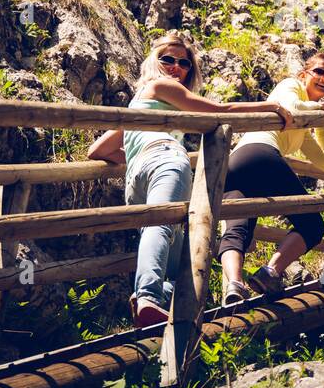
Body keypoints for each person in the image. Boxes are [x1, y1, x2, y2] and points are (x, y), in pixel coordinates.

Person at [87, 32, 294, 326]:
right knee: (161, 227)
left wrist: (139, 154)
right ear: (154, 62)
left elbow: (98, 150)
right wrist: (269, 107)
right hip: (166, 162)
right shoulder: (162, 86)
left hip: (136, 179)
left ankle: (161, 305)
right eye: (167, 59)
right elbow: (220, 111)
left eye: (183, 63)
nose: (176, 67)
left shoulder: (138, 104)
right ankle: (147, 297)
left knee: (174, 244)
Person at [218, 51, 324, 304]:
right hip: (261, 154)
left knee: (238, 228)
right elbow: (292, 107)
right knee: (313, 225)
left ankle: (234, 285)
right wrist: (319, 109)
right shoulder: (290, 85)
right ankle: (270, 272)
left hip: (236, 164)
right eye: (319, 71)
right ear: (303, 74)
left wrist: (321, 122)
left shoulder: (304, 124)